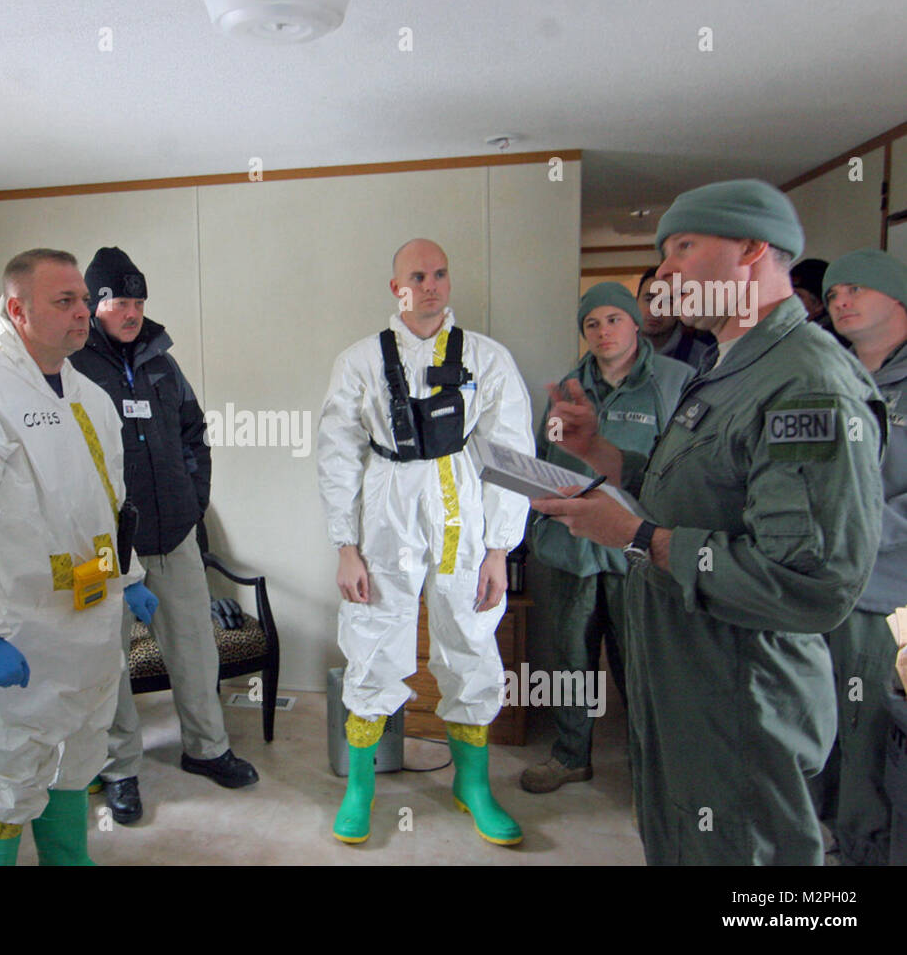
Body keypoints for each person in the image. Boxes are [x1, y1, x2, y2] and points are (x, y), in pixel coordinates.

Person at [533, 180, 885, 864]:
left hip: (741, 701)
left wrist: (635, 537)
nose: (664, 273)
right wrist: (599, 452)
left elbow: (810, 584)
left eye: (683, 248)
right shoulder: (734, 364)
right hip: (688, 684)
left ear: (752, 250)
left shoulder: (805, 384)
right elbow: (701, 489)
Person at [0, 248, 155, 866]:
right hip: (19, 636)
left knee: (76, 760)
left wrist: (129, 577)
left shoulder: (90, 398)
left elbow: (107, 508)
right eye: (64, 300)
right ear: (17, 310)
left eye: (82, 298)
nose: (83, 312)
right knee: (6, 781)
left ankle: (69, 859)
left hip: (89, 626)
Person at [318, 238, 534, 846]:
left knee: (470, 640)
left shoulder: (488, 360)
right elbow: (337, 453)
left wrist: (499, 547)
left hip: (463, 512)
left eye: (441, 273)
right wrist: (344, 543)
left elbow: (512, 455)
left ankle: (472, 785)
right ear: (397, 288)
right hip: (385, 513)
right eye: (418, 275)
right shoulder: (359, 361)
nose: (432, 284)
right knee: (373, 640)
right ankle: (361, 788)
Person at [70, 247, 257, 825]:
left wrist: (193, 500)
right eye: (121, 300)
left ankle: (207, 749)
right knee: (107, 662)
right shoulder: (73, 363)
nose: (133, 311)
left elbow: (194, 432)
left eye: (139, 299)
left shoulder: (160, 359)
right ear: (96, 304)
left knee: (195, 649)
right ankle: (119, 768)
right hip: (105, 547)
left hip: (175, 534)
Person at [520, 283, 692, 793]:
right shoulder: (569, 387)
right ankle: (571, 756)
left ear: (636, 321)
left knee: (639, 662)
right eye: (592, 324)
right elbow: (542, 460)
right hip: (571, 551)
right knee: (569, 658)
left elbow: (682, 472)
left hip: (636, 550)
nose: (603, 331)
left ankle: (650, 768)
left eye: (614, 319)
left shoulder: (675, 382)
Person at [815, 248, 907, 865]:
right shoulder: (822, 376)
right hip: (811, 585)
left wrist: (856, 533)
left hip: (883, 595)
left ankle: (864, 853)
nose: (841, 301)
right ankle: (822, 832)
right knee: (817, 718)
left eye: (855, 289)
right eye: (832, 293)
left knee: (869, 726)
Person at [637, 266, 712, 368]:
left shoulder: (703, 358)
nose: (655, 311)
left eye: (668, 302)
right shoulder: (615, 348)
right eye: (649, 300)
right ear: (635, 302)